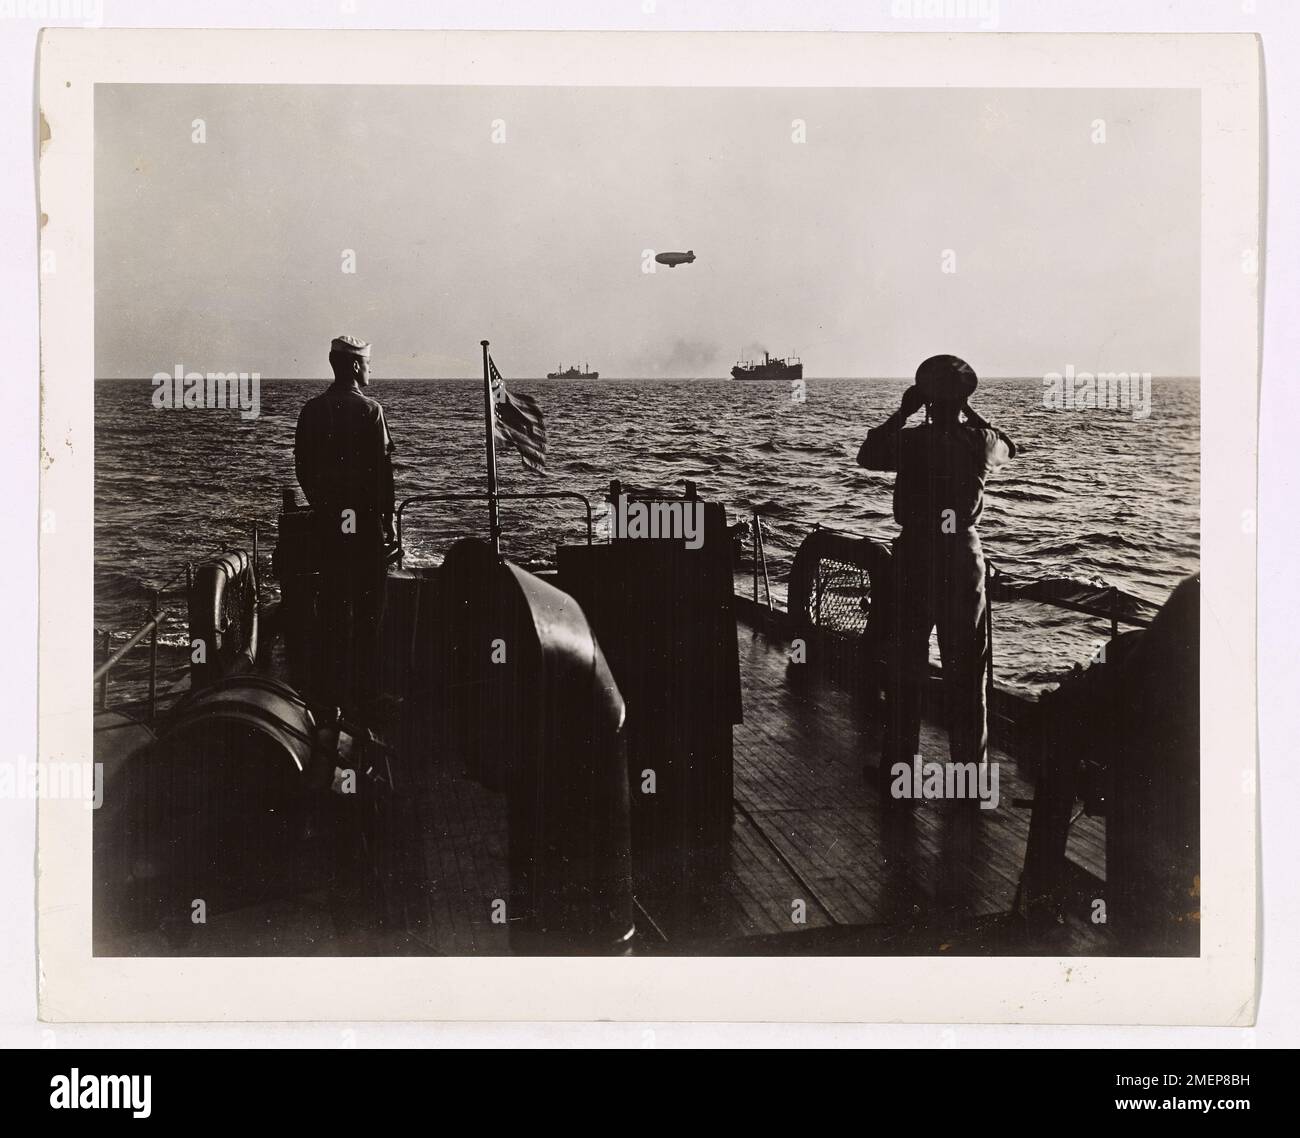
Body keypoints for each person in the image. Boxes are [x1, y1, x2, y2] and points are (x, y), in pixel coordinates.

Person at [857, 354, 1016, 796]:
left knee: (906, 663)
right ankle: (969, 778)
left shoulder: (910, 442)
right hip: (962, 555)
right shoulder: (979, 441)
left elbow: (866, 455)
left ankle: (899, 771)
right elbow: (1009, 444)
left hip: (914, 554)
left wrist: (904, 411)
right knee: (967, 669)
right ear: (965, 397)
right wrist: (968, 410)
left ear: (923, 397)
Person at [294, 335, 396, 720]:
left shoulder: (311, 410)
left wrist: (323, 506)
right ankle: (367, 699)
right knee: (371, 613)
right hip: (365, 528)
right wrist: (386, 523)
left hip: (328, 526)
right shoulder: (372, 411)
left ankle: (330, 698)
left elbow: (302, 466)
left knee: (334, 609)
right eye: (367, 363)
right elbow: (382, 476)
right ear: (355, 366)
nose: (370, 370)